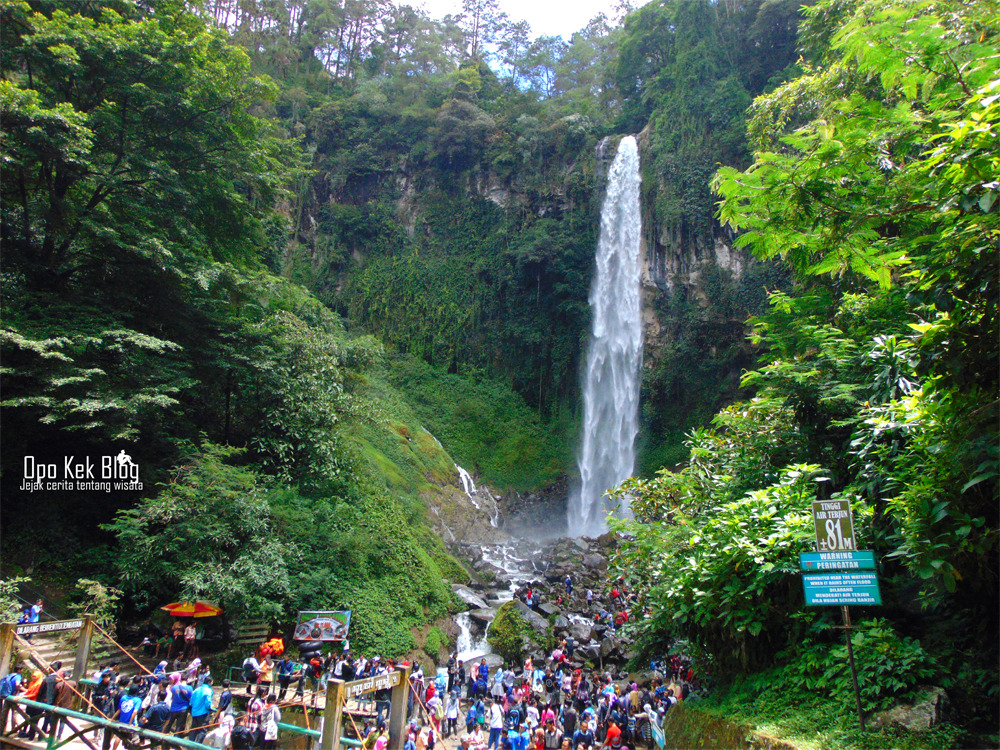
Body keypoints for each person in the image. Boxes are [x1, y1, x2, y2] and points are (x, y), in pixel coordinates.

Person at [189, 676, 213, 741]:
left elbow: (191, 702)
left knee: (193, 730)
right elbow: (208, 704)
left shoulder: (196, 689)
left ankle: (189, 746)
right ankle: (198, 746)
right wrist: (210, 708)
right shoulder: (208, 690)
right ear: (209, 682)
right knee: (202, 731)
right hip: (203, 713)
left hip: (194, 713)